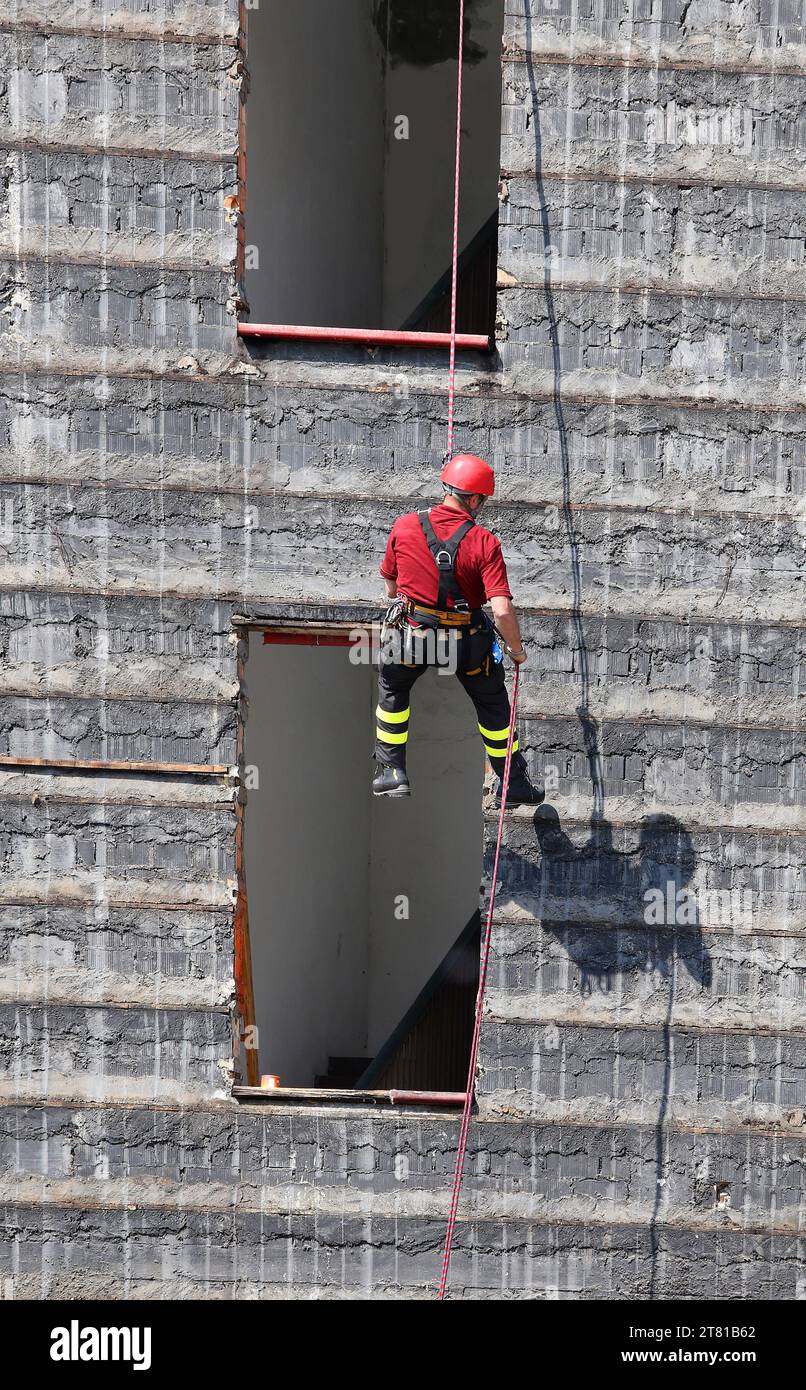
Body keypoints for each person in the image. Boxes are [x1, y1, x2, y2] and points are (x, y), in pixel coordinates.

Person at [372, 452, 545, 806]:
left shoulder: (405, 525)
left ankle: (392, 773)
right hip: (466, 643)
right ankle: (512, 781)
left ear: (447, 489)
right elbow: (501, 610)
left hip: (412, 636)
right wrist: (516, 650)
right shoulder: (485, 542)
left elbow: (390, 587)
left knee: (393, 687)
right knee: (493, 705)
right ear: (477, 498)